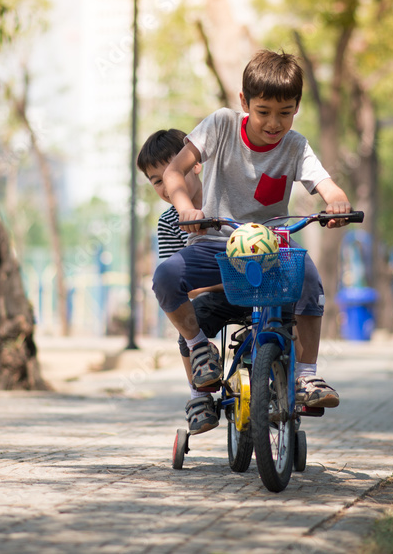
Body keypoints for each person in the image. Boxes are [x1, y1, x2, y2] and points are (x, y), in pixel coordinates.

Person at [154, 49, 352, 430]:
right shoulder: (221, 126)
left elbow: (326, 185)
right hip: (217, 245)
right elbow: (176, 171)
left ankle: (306, 374)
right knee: (166, 277)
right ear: (244, 103)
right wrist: (184, 208)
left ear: (297, 108)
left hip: (272, 248)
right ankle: (198, 349)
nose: (274, 123)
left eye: (285, 112)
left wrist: (337, 201)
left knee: (308, 276)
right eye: (263, 111)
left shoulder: (295, 146)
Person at [136, 129, 247, 435]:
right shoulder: (169, 222)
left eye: (170, 173)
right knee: (188, 325)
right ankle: (199, 396)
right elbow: (185, 287)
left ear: (194, 165)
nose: (165, 185)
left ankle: (289, 383)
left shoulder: (229, 201)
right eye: (156, 181)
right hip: (217, 294)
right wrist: (224, 283)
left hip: (258, 287)